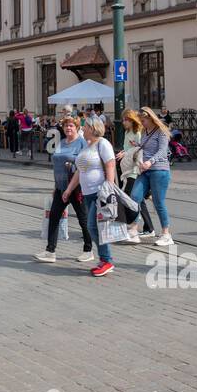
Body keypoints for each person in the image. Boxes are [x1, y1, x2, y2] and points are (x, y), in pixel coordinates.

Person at [59, 115, 119, 277]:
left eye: (85, 127)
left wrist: (108, 186)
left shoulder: (103, 143)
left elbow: (110, 164)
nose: (83, 129)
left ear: (92, 129)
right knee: (95, 227)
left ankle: (106, 260)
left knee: (93, 226)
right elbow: (80, 171)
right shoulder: (87, 145)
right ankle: (104, 260)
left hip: (100, 192)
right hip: (87, 193)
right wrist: (69, 189)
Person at [33, 115, 93, 263]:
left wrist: (72, 166)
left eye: (71, 126)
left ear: (77, 128)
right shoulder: (61, 143)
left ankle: (88, 250)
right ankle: (50, 251)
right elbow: (57, 165)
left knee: (83, 219)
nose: (68, 128)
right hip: (61, 187)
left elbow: (84, 166)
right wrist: (55, 186)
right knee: (53, 216)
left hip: (76, 188)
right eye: (66, 125)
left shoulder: (82, 143)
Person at [131, 107, 174, 246]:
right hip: (144, 170)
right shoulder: (145, 131)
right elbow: (146, 148)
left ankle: (166, 234)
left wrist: (150, 161)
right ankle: (133, 230)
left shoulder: (161, 131)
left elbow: (162, 150)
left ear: (150, 118)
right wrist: (137, 145)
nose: (141, 123)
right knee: (134, 197)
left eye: (143, 120)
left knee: (158, 202)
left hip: (159, 170)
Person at [118, 109, 154, 236]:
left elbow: (140, 149)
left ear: (132, 120)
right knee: (138, 199)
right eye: (123, 120)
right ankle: (149, 228)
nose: (124, 122)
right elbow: (127, 149)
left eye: (126, 120)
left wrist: (135, 146)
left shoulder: (138, 132)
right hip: (127, 168)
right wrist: (123, 153)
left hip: (134, 170)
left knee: (132, 198)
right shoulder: (127, 132)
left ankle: (136, 226)